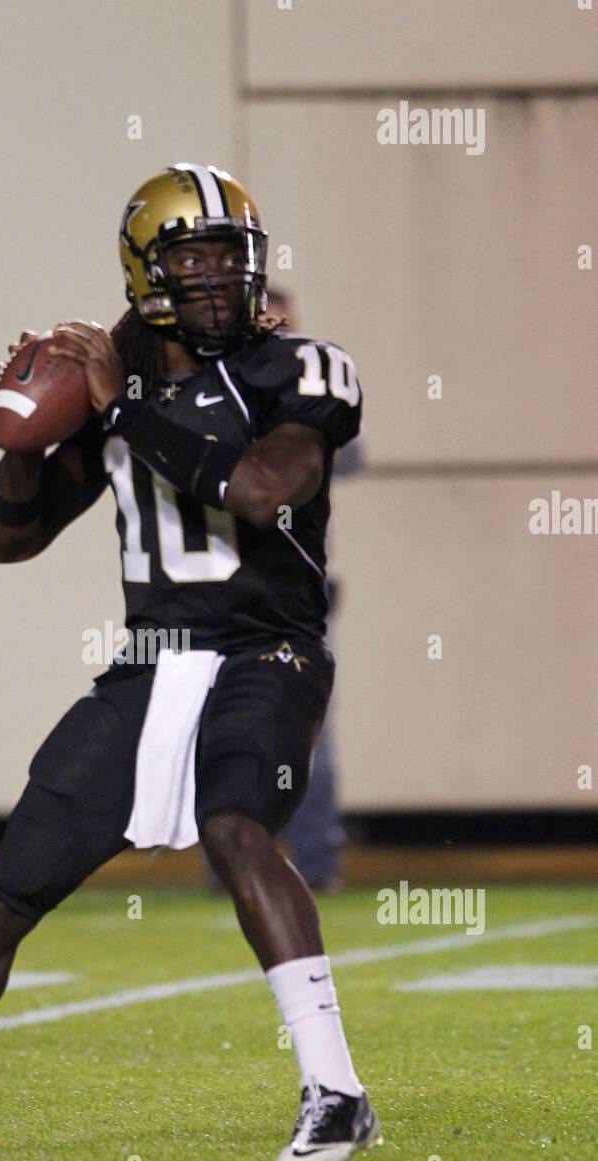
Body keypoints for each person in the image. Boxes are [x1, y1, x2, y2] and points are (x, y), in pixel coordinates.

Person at [0, 163, 381, 1161]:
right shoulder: (116, 377)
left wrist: (121, 406)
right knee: (11, 886)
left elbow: (263, 489)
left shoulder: (299, 369)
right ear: (148, 270)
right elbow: (12, 540)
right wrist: (19, 444)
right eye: (195, 258)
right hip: (150, 663)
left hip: (269, 646)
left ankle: (336, 1091)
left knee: (235, 824)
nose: (220, 278)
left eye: (232, 256)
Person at [264, 287, 366, 892]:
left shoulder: (313, 388)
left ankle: (318, 861)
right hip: (228, 590)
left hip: (300, 589)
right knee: (220, 731)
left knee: (309, 733)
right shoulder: (218, 384)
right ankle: (226, 859)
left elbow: (350, 455)